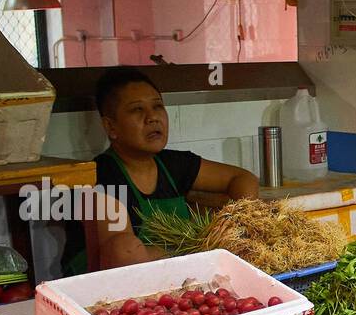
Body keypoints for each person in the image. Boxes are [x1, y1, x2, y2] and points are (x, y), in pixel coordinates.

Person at [79, 67, 259, 271]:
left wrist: (240, 225)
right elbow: (126, 257)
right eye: (137, 109)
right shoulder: (102, 176)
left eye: (157, 106)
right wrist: (203, 247)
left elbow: (243, 178)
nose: (152, 117)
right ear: (111, 127)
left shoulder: (173, 163)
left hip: (182, 277)